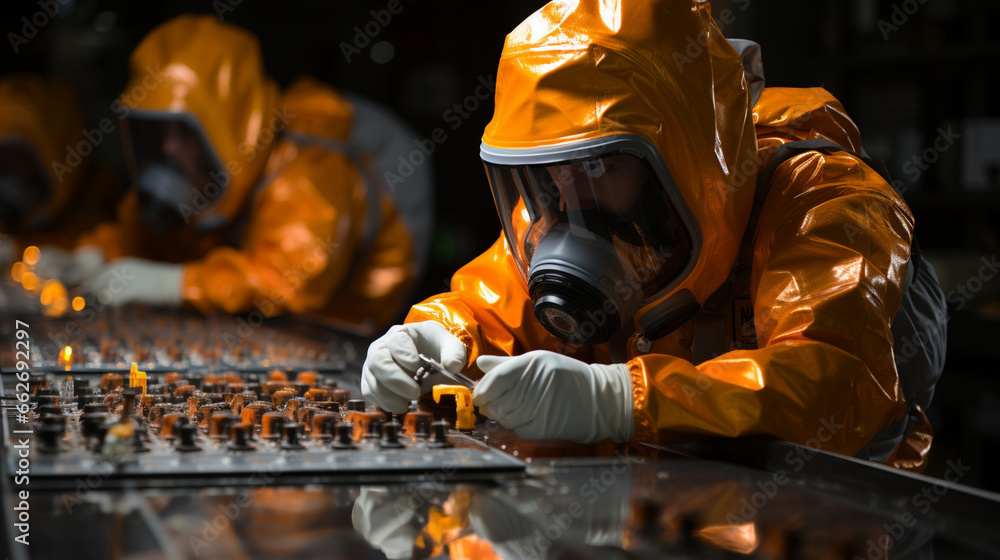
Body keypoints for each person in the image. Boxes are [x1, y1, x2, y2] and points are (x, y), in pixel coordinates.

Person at [362, 0, 947, 472]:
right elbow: (491, 305)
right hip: (646, 511)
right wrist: (432, 335)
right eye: (548, 172)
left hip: (831, 527)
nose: (567, 201)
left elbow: (833, 384)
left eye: (596, 166)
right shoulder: (571, 209)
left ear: (686, 160)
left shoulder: (826, 201)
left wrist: (619, 400)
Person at [37, 15, 432, 332]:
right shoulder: (200, 173)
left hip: (339, 328)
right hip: (253, 330)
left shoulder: (307, 167)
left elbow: (289, 281)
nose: (168, 148)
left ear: (230, 123)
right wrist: (91, 256)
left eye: (183, 132)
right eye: (158, 132)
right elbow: (147, 235)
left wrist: (175, 284)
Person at [0, 73, 120, 265]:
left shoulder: (98, 196)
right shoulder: (16, 214)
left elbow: (94, 248)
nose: (4, 176)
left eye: (10, 161)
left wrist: (17, 251)